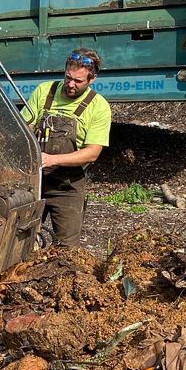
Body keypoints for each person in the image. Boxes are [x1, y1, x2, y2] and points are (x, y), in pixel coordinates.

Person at [20, 48, 111, 247]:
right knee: (19, 243)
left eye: (78, 81)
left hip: (67, 186)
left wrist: (53, 159)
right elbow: (24, 130)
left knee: (67, 249)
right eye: (68, 77)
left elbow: (92, 153)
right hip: (34, 181)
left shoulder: (98, 107)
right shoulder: (44, 91)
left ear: (92, 79)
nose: (70, 84)